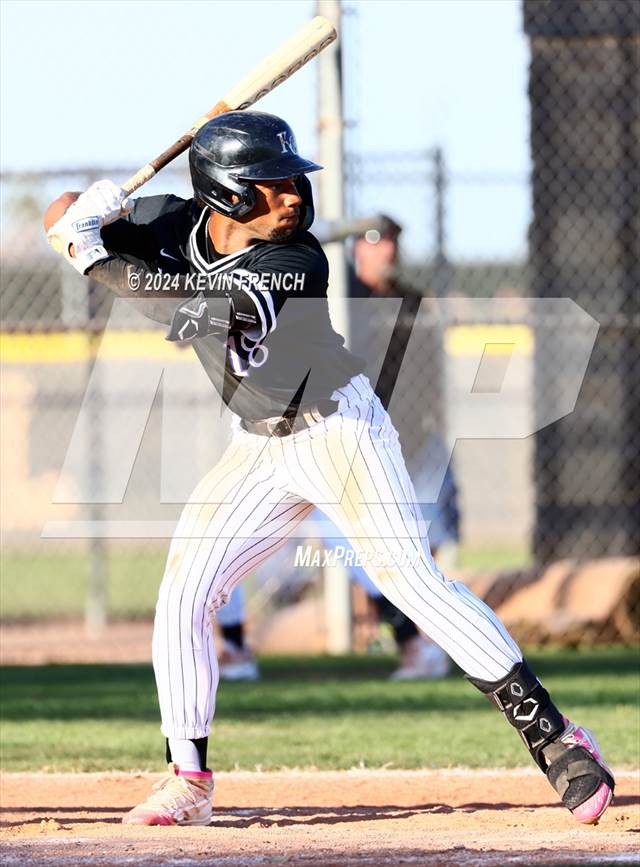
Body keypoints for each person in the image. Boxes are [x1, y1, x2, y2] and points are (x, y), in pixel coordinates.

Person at [44, 111, 614, 828]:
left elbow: (192, 311)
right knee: (182, 591)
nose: (291, 196)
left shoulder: (298, 259)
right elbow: (62, 216)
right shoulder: (166, 223)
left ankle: (556, 737)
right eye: (270, 183)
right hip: (256, 442)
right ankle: (188, 779)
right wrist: (83, 211)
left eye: (291, 181)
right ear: (224, 193)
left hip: (339, 430)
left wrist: (90, 256)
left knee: (413, 582)